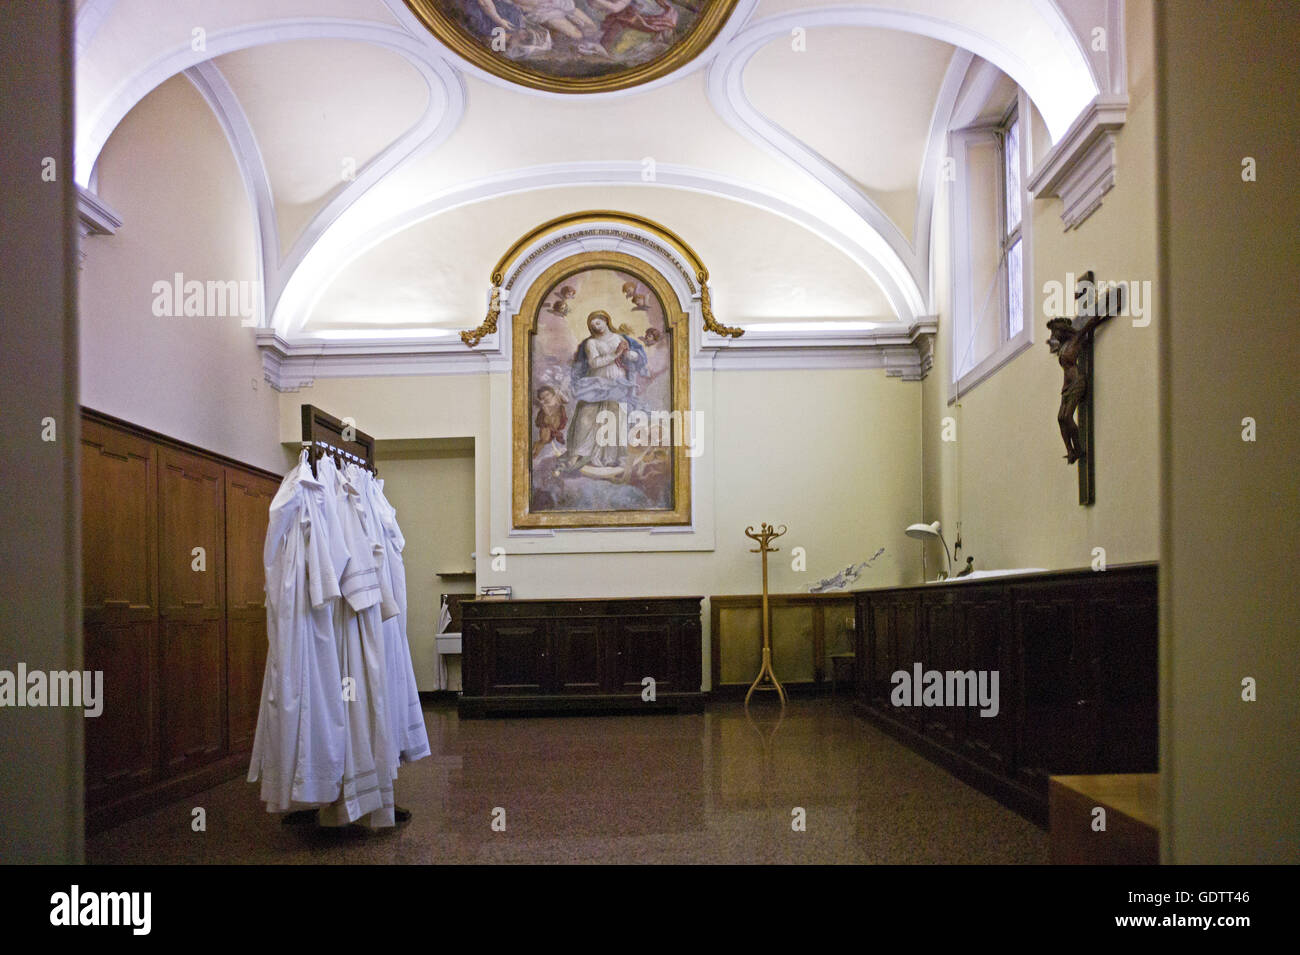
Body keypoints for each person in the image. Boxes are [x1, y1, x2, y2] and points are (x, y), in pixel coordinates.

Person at [562, 310, 646, 473]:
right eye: (592, 325)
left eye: (598, 322)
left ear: (606, 321)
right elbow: (594, 363)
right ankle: (580, 453)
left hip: (618, 382)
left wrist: (631, 355)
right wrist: (616, 353)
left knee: (616, 419)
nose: (596, 326)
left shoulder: (619, 338)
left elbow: (630, 356)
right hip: (596, 382)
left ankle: (613, 456)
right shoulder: (591, 343)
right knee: (587, 417)